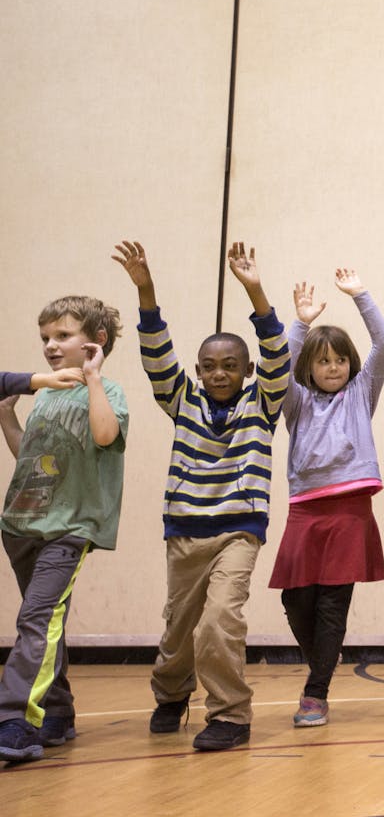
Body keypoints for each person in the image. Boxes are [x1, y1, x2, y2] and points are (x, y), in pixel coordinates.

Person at [113, 240, 291, 752]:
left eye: (230, 365)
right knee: (179, 630)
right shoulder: (182, 399)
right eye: (209, 366)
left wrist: (254, 289)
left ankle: (231, 716)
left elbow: (278, 351)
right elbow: (155, 355)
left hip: (238, 531)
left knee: (218, 622)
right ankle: (171, 695)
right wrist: (146, 289)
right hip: (185, 531)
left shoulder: (264, 402)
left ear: (246, 371)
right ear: (197, 371)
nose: (218, 373)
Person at [0, 297, 126, 762]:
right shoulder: (46, 394)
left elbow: (105, 436)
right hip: (21, 524)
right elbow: (31, 461)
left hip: (69, 528)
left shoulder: (107, 392)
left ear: (95, 342)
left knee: (36, 618)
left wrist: (93, 379)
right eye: (45, 339)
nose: (51, 347)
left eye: (62, 337)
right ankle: (57, 710)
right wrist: (7, 417)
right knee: (47, 620)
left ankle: (15, 720)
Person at [269, 269, 384, 728]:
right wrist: (299, 324)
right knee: (295, 601)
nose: (333, 367)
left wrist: (361, 294)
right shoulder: (296, 403)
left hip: (349, 511)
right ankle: (325, 656)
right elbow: (279, 367)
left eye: (340, 359)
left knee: (331, 605)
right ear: (310, 368)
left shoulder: (362, 394)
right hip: (305, 508)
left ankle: (315, 691)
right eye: (323, 361)